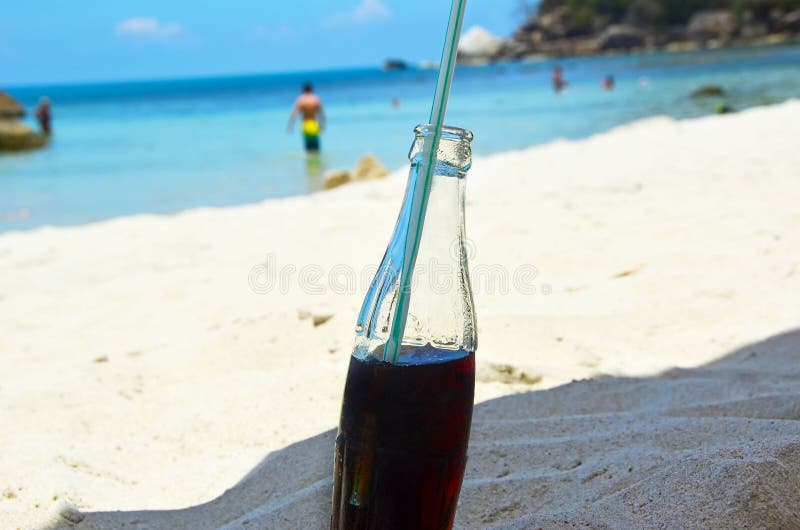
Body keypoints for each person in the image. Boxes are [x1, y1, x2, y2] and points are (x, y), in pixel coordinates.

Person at [287, 83, 325, 154]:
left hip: (305, 125)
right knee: (316, 149)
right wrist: (322, 125)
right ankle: (317, 164)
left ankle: (309, 164)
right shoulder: (316, 99)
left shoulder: (301, 100)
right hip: (314, 124)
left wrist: (290, 126)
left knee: (308, 150)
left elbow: (294, 114)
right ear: (311, 90)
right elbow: (321, 114)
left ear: (303, 90)